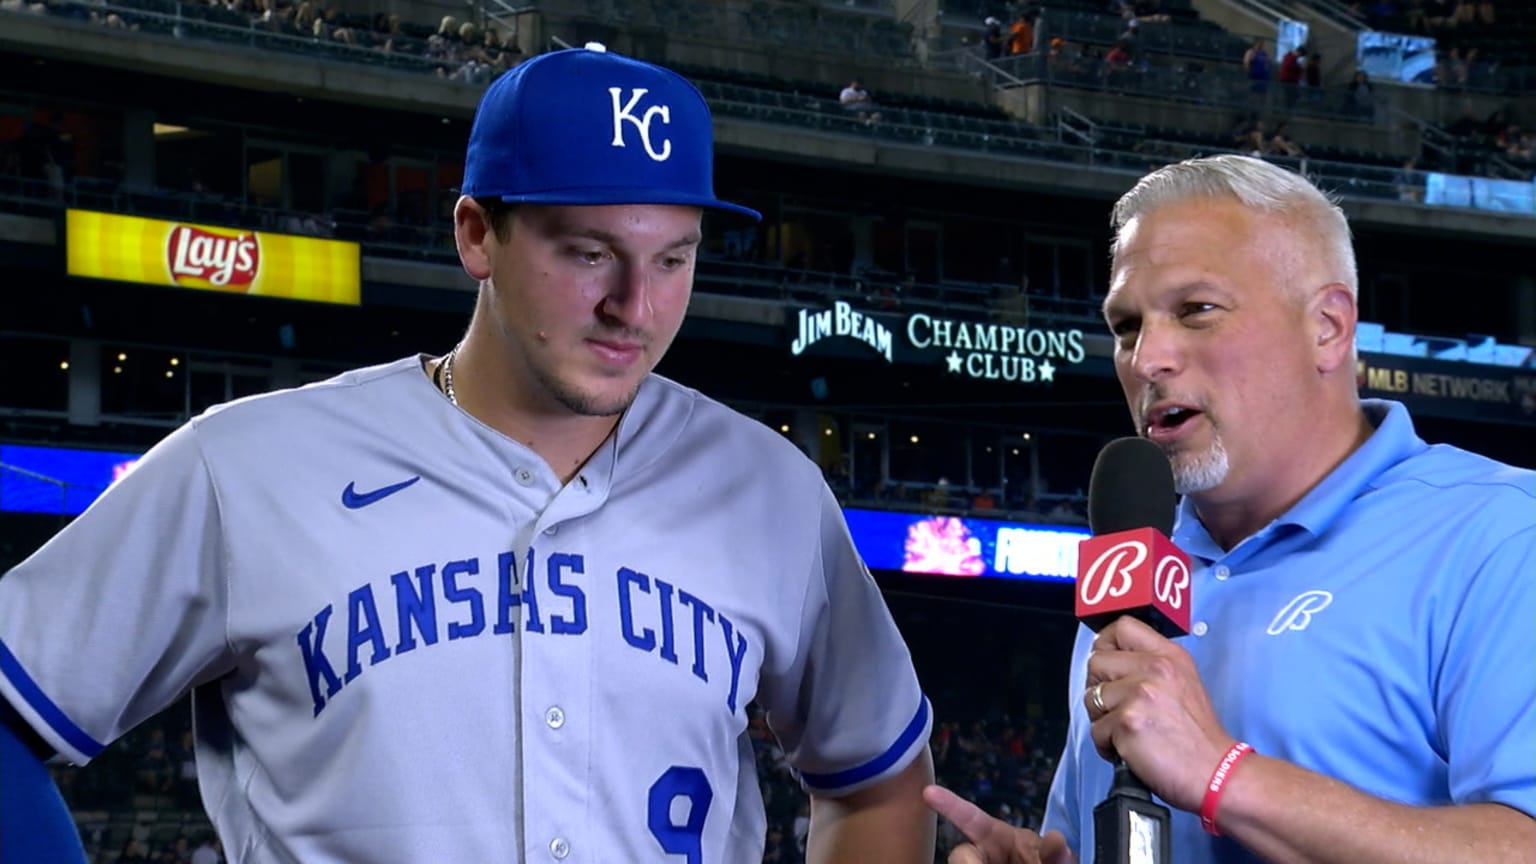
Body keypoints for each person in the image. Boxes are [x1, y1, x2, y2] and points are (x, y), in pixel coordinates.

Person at [0, 43, 937, 863]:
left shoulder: (770, 492)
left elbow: (880, 781)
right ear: (477, 234)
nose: (634, 308)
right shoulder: (247, 468)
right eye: (586, 252)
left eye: (673, 258)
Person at [924, 153, 1535, 862]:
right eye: (1127, 327)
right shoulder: (1137, 576)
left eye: (1196, 311)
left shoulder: (1497, 534)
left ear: (1328, 328)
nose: (1148, 358)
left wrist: (1223, 776)